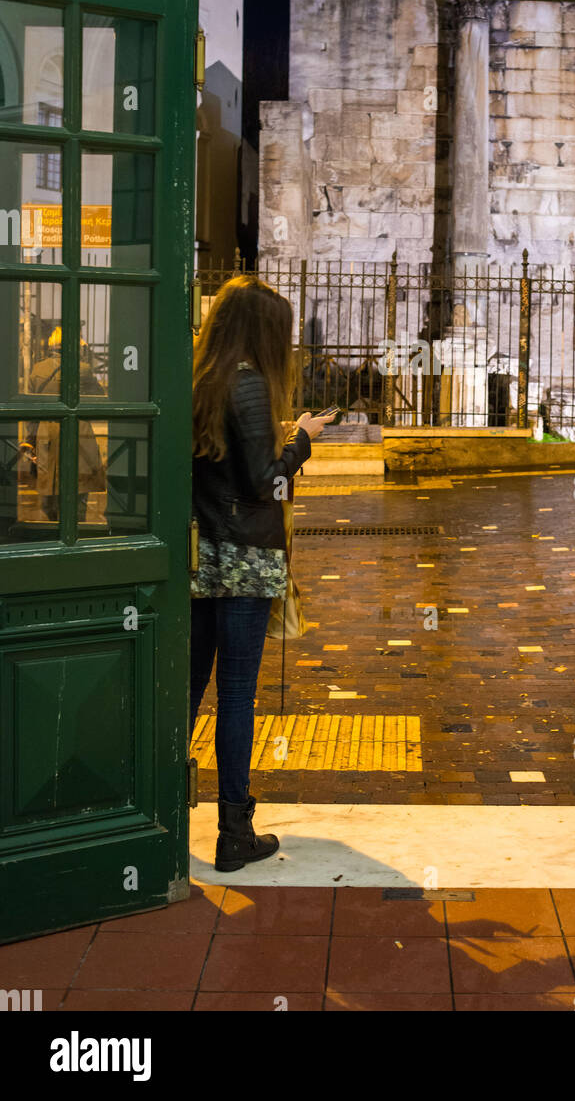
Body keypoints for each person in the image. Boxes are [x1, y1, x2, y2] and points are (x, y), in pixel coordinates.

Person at [189, 274, 335, 872]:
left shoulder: (202, 381)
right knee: (238, 696)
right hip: (245, 562)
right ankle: (234, 831)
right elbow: (264, 480)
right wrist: (303, 438)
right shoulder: (248, 386)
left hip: (201, 558)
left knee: (189, 686)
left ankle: (159, 810)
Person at [23, 327, 106, 522]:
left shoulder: (37, 369)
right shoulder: (83, 369)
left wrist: (31, 440)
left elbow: (31, 410)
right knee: (78, 493)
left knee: (50, 494)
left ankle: (53, 535)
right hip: (78, 434)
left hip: (46, 436)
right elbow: (100, 398)